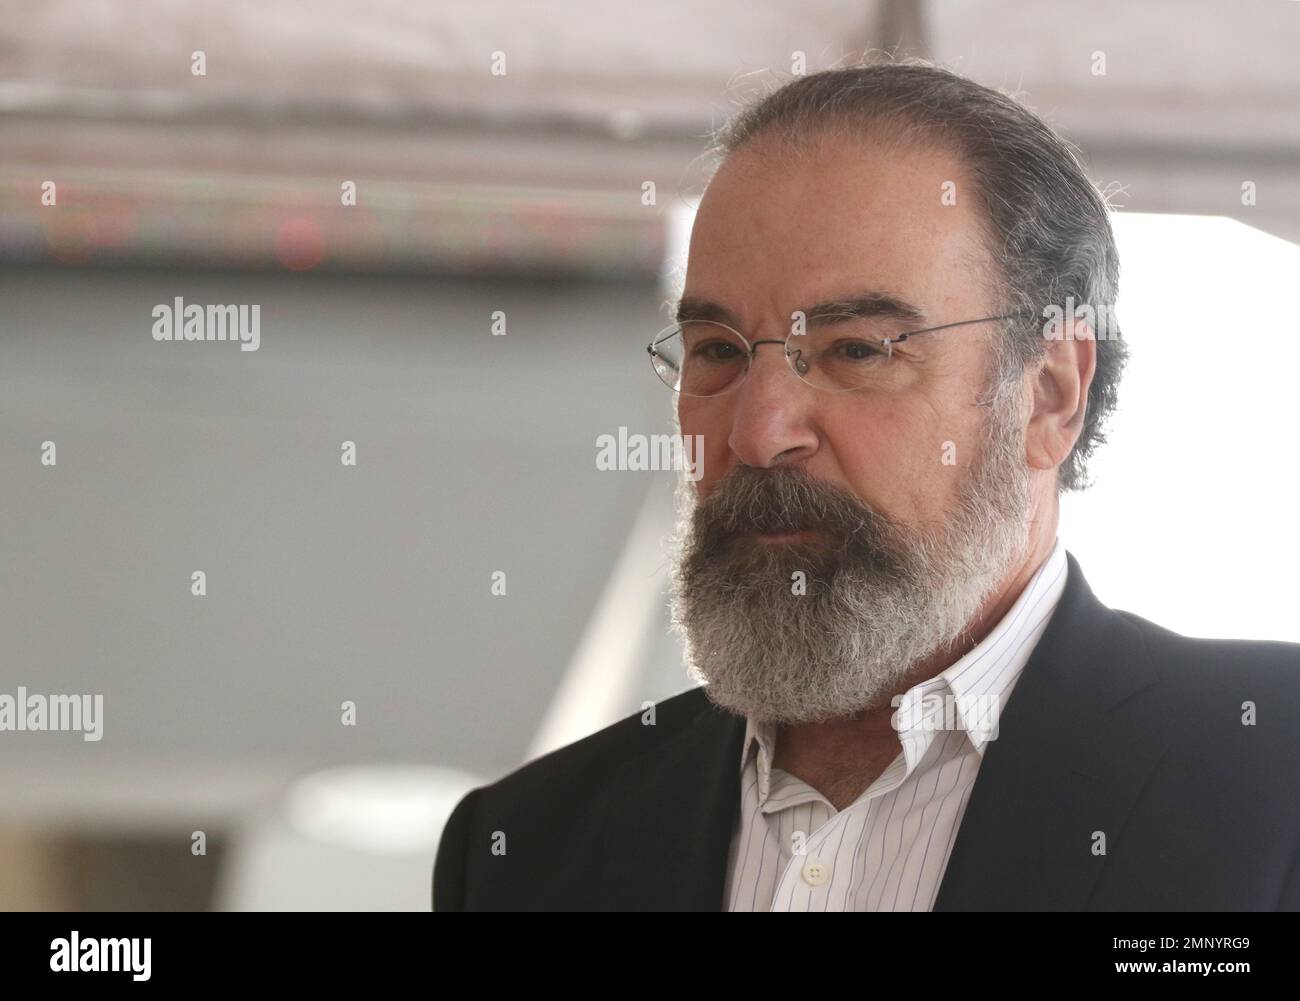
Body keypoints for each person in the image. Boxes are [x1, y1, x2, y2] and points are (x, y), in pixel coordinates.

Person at [433, 61, 1300, 911]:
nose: (760, 432)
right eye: (718, 352)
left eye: (857, 350)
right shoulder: (526, 849)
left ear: (1049, 391)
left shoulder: (1267, 771)